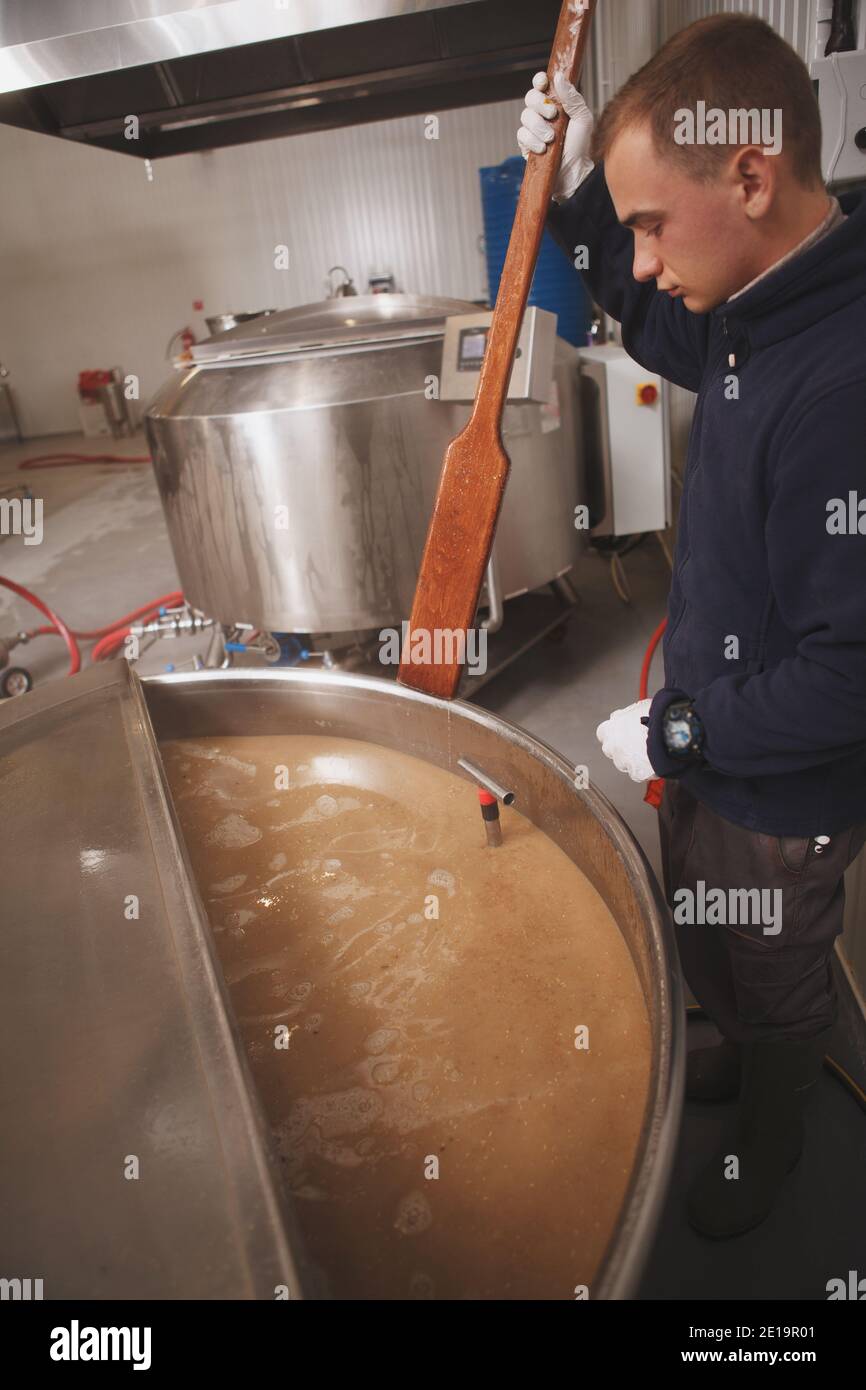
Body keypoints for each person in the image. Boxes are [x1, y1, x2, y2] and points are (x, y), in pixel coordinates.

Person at [518, 12, 866, 1239]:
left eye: (652, 222)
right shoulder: (753, 302)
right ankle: (733, 1051)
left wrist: (676, 723)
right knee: (703, 934)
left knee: (774, 976)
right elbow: (650, 313)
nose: (645, 259)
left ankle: (774, 1147)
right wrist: (566, 202)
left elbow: (849, 676)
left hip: (781, 791)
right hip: (714, 742)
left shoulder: (841, 381)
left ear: (750, 173)